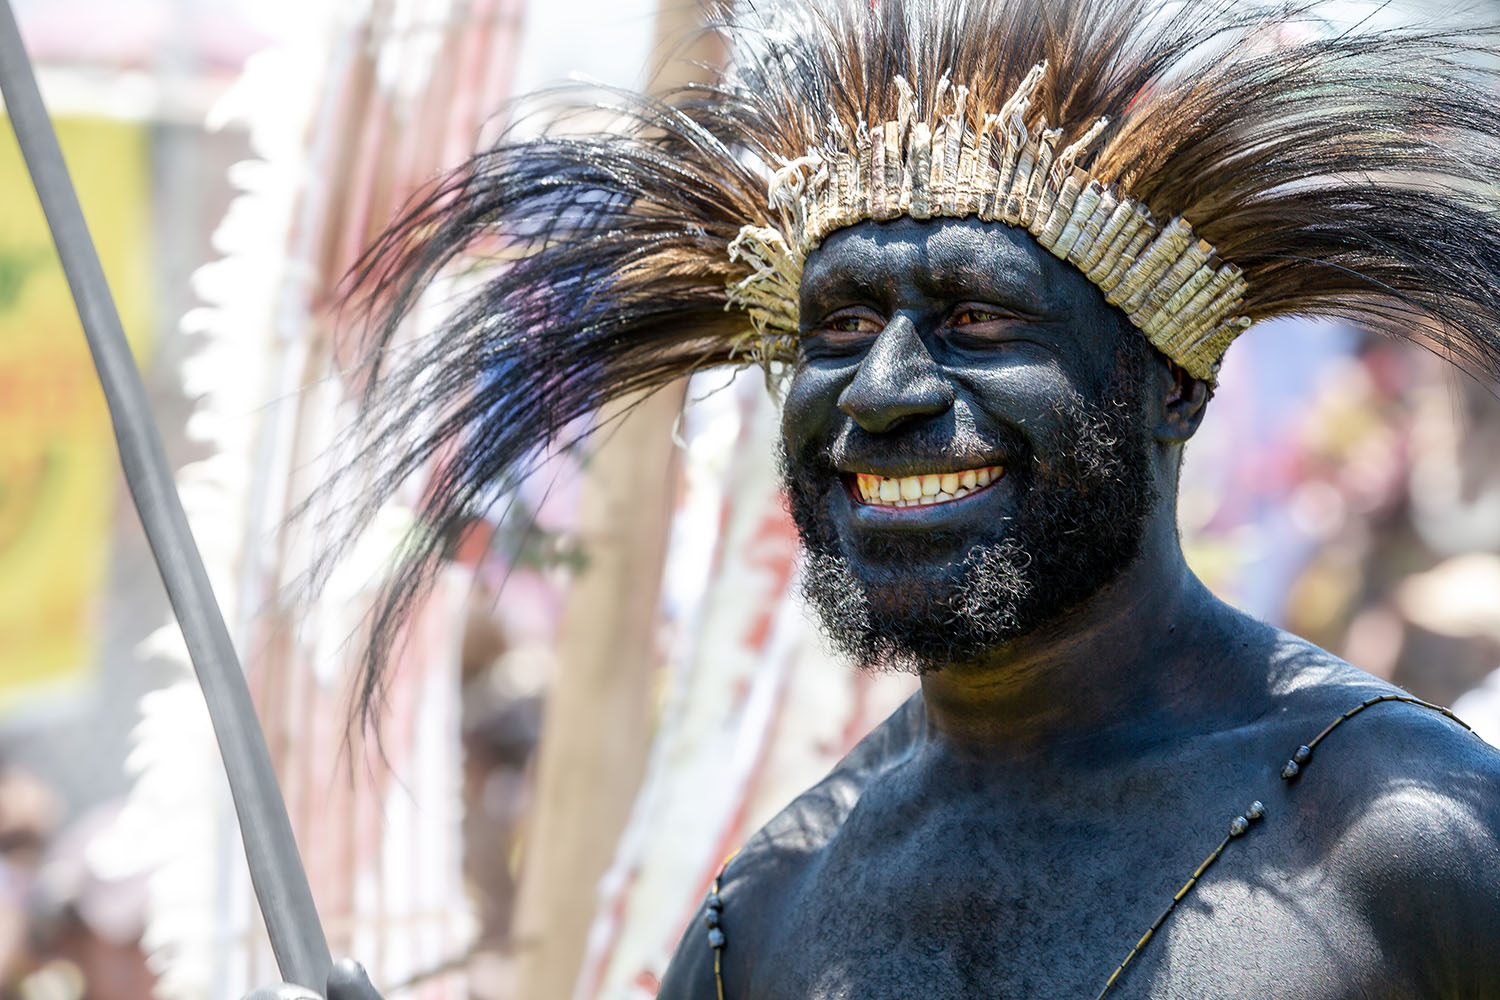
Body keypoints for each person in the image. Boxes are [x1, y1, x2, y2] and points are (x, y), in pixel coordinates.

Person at [259, 0, 1500, 995]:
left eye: (975, 316)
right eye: (839, 327)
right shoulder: (772, 912)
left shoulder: (1397, 839)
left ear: (1170, 385)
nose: (884, 391)